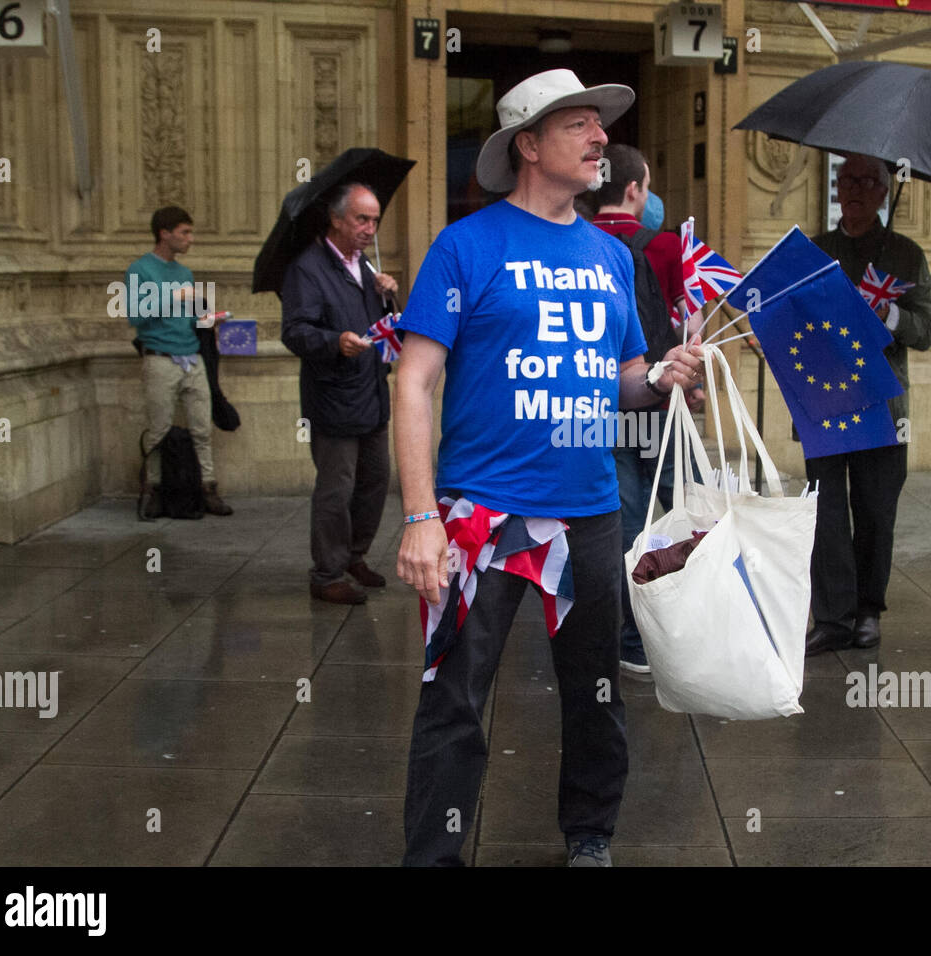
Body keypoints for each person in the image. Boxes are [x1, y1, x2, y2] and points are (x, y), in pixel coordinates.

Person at [394, 69, 703, 867]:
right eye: (578, 125)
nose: (601, 137)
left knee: (595, 695)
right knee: (454, 699)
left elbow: (625, 378)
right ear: (528, 146)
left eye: (600, 126)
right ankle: (434, 856)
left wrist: (663, 376)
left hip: (589, 510)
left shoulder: (609, 255)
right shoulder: (466, 246)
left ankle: (590, 836)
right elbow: (415, 380)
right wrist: (421, 517)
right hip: (479, 514)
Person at [805, 153, 931, 654]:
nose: (854, 188)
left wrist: (887, 312)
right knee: (827, 513)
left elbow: (925, 333)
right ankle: (833, 617)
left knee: (876, 513)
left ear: (884, 192)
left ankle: (867, 610)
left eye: (866, 181)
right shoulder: (816, 251)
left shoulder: (903, 255)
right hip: (825, 401)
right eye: (846, 179)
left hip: (884, 407)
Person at [587, 143, 700, 678]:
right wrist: (685, 383)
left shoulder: (581, 243)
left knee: (626, 520)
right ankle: (690, 617)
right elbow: (682, 326)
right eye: (648, 187)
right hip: (657, 403)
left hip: (604, 409)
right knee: (689, 508)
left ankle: (627, 635)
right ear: (634, 190)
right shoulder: (662, 247)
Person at [280, 182, 399, 605]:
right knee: (337, 486)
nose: (370, 228)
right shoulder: (308, 267)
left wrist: (386, 297)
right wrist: (335, 341)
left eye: (375, 221)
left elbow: (382, 327)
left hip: (370, 392)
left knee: (376, 479)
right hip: (333, 398)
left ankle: (354, 555)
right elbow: (295, 332)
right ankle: (326, 572)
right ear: (335, 219)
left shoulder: (363, 266)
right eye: (361, 219)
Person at [126, 206, 232, 518]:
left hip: (192, 357)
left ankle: (208, 488)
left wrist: (207, 321)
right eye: (185, 232)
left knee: (202, 427)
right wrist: (175, 297)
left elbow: (187, 318)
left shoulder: (184, 273)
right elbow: (136, 316)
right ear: (165, 233)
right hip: (160, 359)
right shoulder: (140, 270)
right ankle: (154, 491)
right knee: (158, 429)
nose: (190, 239)